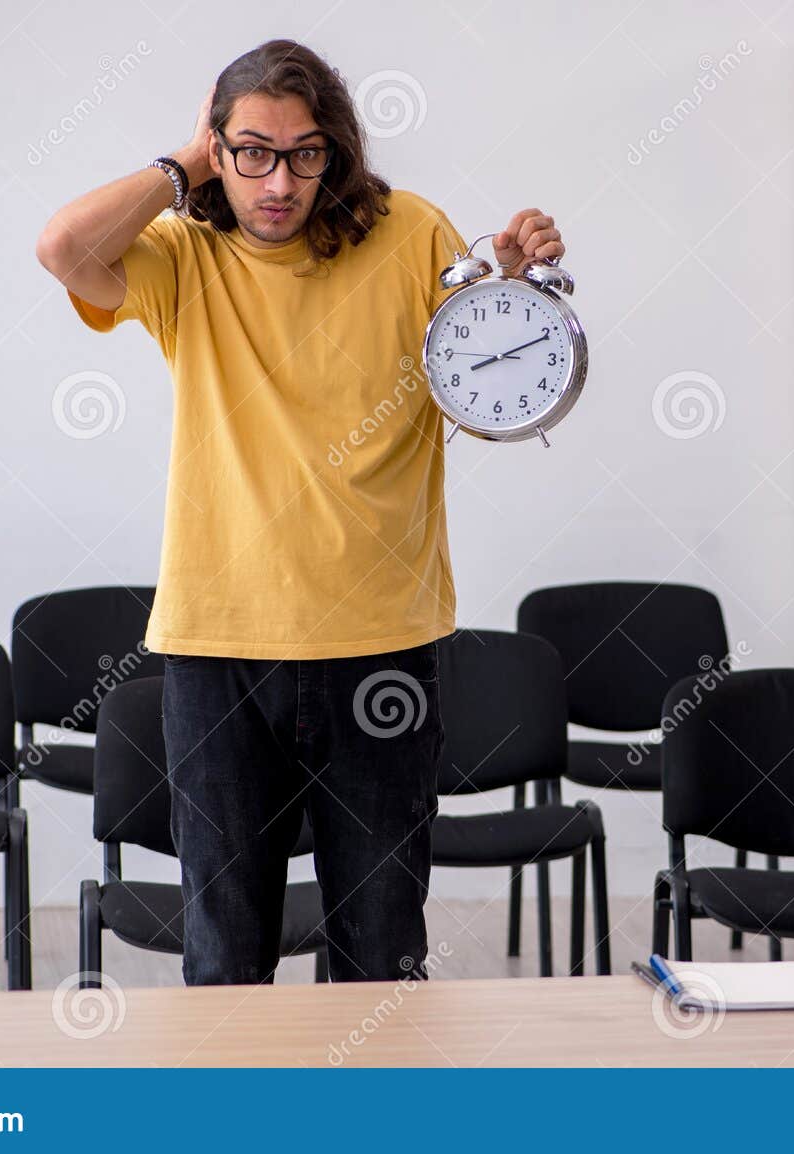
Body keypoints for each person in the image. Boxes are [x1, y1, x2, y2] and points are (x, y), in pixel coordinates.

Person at [34, 38, 565, 984]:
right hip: (219, 647)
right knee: (226, 952)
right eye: (251, 153)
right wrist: (183, 165)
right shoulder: (183, 255)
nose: (278, 182)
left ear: (338, 153)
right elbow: (62, 248)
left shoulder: (414, 235)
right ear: (217, 150)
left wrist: (518, 305)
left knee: (380, 949)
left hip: (379, 640)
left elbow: (481, 412)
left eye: (304, 154)